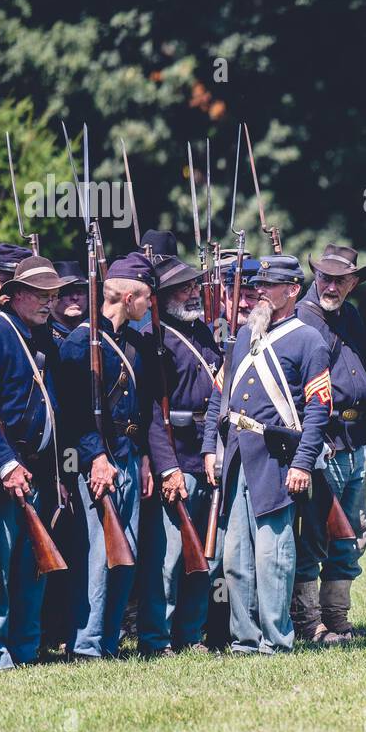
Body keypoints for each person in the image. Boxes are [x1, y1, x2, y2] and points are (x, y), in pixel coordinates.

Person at [201, 255, 330, 654]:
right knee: (236, 556)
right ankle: (245, 638)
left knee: (274, 556)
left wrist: (303, 462)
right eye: (258, 284)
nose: (259, 291)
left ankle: (276, 638)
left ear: (292, 290)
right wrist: (209, 446)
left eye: (269, 285)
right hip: (238, 456)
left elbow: (318, 408)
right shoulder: (244, 335)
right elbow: (218, 397)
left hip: (276, 458)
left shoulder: (309, 340)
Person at [0, 257, 74, 669]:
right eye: (40, 294)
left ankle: (26, 649)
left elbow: (55, 408)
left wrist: (58, 473)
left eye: (53, 295)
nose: (49, 302)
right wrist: (5, 464)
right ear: (14, 295)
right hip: (6, 471)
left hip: (40, 469)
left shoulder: (44, 336)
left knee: (34, 567)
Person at [55, 253, 155, 659]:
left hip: (129, 458)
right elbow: (74, 412)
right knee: (99, 557)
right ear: (129, 297)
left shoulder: (132, 342)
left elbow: (142, 408)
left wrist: (144, 457)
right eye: (147, 297)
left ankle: (108, 639)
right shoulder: (81, 343)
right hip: (100, 465)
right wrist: (96, 456)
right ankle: (88, 643)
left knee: (123, 555)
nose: (150, 306)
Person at [294, 244, 366, 643]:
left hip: (353, 439)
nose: (331, 286)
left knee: (351, 532)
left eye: (340, 280)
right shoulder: (302, 318)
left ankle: (338, 617)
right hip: (322, 440)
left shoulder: (352, 316)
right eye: (325, 278)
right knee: (314, 535)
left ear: (352, 283)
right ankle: (309, 622)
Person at [137, 255, 223, 656]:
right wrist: (166, 465)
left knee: (204, 553)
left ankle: (190, 634)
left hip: (208, 454)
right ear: (163, 297)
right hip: (177, 457)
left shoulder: (203, 333)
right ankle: (157, 638)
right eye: (183, 288)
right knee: (169, 558)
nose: (193, 293)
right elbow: (152, 410)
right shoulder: (153, 342)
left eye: (194, 286)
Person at [49, 260, 89, 343]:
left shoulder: (95, 333)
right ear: (52, 297)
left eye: (80, 292)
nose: (74, 297)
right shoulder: (44, 335)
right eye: (67, 292)